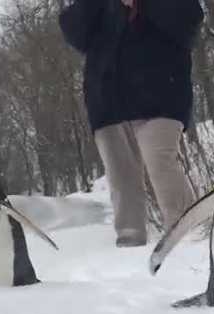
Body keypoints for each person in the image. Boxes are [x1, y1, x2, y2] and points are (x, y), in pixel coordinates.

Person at [59, 0, 204, 247]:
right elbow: (74, 33)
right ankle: (129, 240)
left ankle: (187, 232)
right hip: (107, 102)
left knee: (160, 160)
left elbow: (190, 21)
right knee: (120, 175)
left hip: (161, 96)